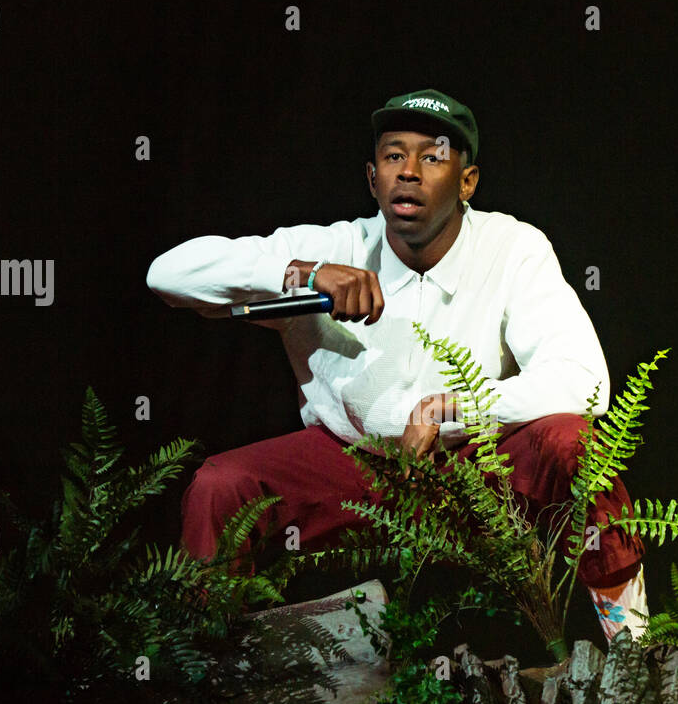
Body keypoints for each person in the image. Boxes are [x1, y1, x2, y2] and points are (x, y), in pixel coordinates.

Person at [145, 88, 648, 644]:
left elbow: (585, 381)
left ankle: (635, 652)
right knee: (221, 486)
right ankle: (209, 672)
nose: (408, 171)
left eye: (431, 156)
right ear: (371, 178)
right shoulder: (336, 246)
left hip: (474, 467)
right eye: (392, 156)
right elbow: (167, 274)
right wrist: (304, 275)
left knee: (573, 444)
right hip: (355, 467)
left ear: (467, 181)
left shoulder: (512, 247)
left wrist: (453, 408)